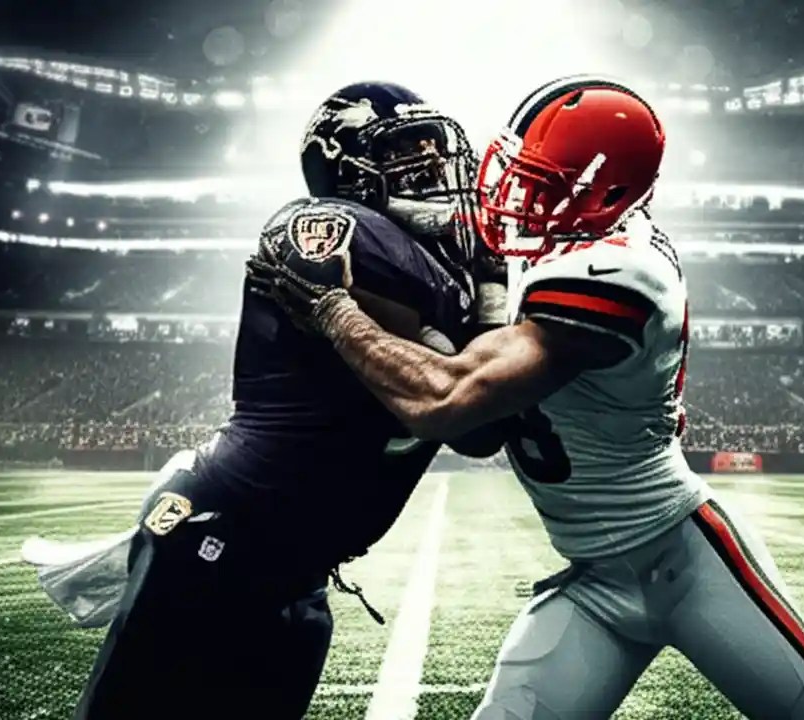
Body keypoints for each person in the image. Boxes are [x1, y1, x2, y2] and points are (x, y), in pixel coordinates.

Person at [250, 75, 804, 719]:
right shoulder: (572, 239)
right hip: (596, 580)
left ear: (600, 195)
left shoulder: (622, 271)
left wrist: (333, 312)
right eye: (518, 172)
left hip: (684, 563)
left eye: (540, 185)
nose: (512, 196)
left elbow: (447, 397)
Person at [69, 80, 504, 720]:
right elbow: (454, 398)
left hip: (296, 569)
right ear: (347, 167)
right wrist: (485, 306)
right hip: (216, 537)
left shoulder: (440, 267)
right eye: (409, 148)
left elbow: (482, 432)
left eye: (436, 149)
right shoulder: (328, 225)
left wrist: (485, 294)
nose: (435, 165)